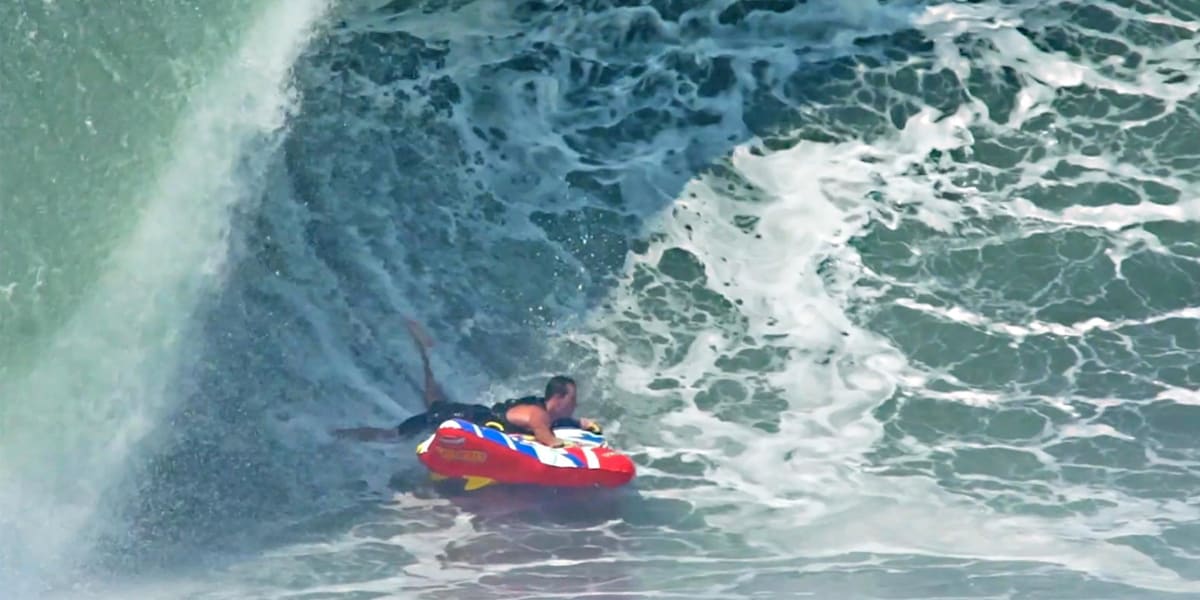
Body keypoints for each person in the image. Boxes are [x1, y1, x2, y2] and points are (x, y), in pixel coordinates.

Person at [333, 319, 597, 448]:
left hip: (473, 413)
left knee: (435, 399)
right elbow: (548, 440)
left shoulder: (542, 411)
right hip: (456, 417)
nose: (574, 406)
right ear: (558, 399)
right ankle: (341, 435)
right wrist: (576, 447)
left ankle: (424, 353)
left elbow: (557, 425)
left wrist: (581, 424)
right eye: (572, 401)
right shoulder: (538, 414)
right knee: (395, 434)